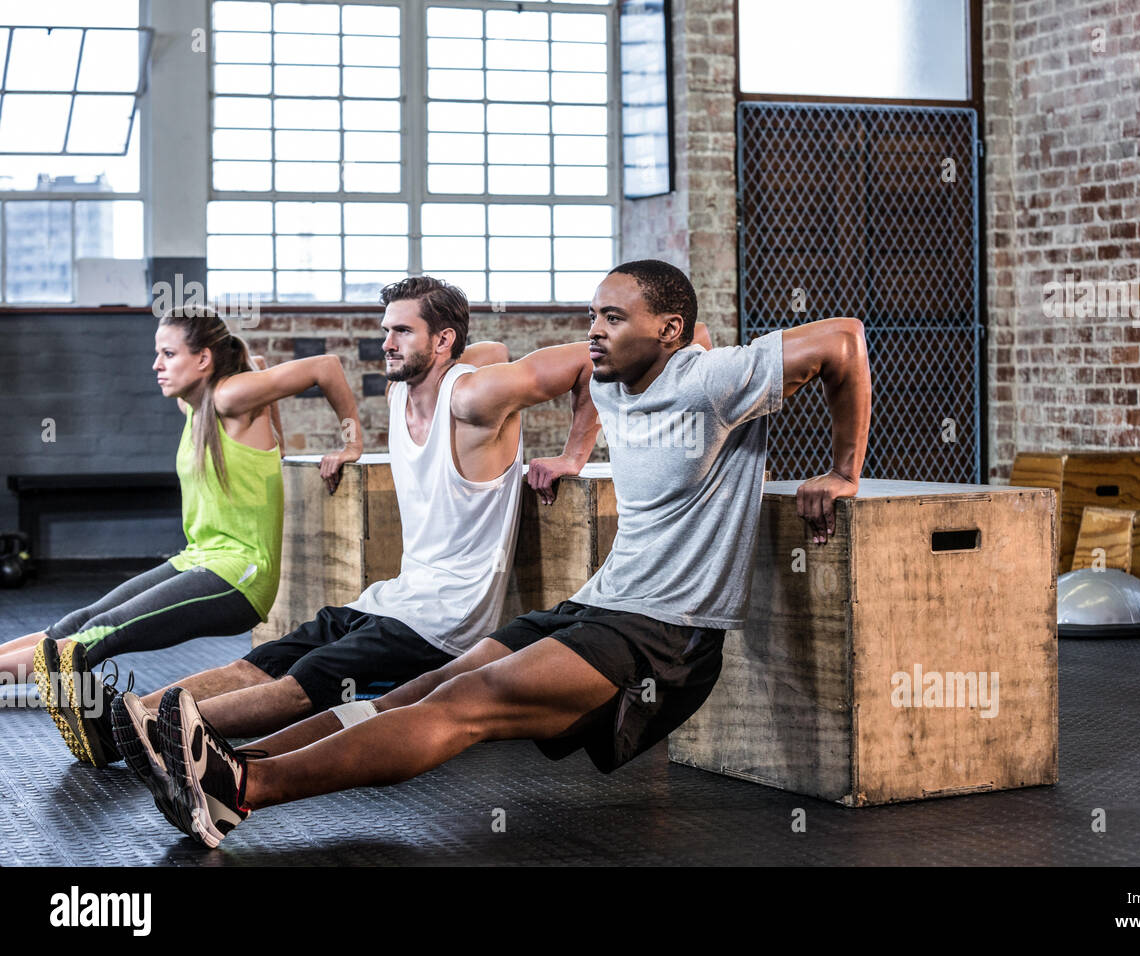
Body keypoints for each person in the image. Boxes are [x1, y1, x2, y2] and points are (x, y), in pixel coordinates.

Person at [117, 259, 872, 848]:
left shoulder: (712, 377)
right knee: (419, 689)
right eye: (592, 316)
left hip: (665, 631)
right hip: (598, 604)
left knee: (463, 705)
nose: (595, 332)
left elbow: (842, 341)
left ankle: (247, 784)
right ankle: (212, 771)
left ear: (670, 329)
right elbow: (560, 370)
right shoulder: (610, 378)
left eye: (614, 317)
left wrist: (842, 470)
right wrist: (578, 454)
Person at [102, 276, 602, 830]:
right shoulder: (402, 391)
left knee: (304, 682)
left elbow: (587, 360)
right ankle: (134, 716)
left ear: (441, 341)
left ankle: (155, 736)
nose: (386, 342)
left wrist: (573, 455)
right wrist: (352, 443)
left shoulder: (474, 396)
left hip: (443, 621)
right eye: (385, 329)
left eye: (402, 332)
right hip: (391, 599)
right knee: (266, 660)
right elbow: (493, 350)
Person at [0, 306, 363, 767]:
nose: (156, 364)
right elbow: (268, 404)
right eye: (158, 353)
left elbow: (324, 366)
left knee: (98, 634)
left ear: (204, 359)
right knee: (76, 623)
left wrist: (351, 441)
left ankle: (113, 732)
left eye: (168, 354)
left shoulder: (230, 395)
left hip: (236, 576)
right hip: (198, 559)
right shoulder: (193, 402)